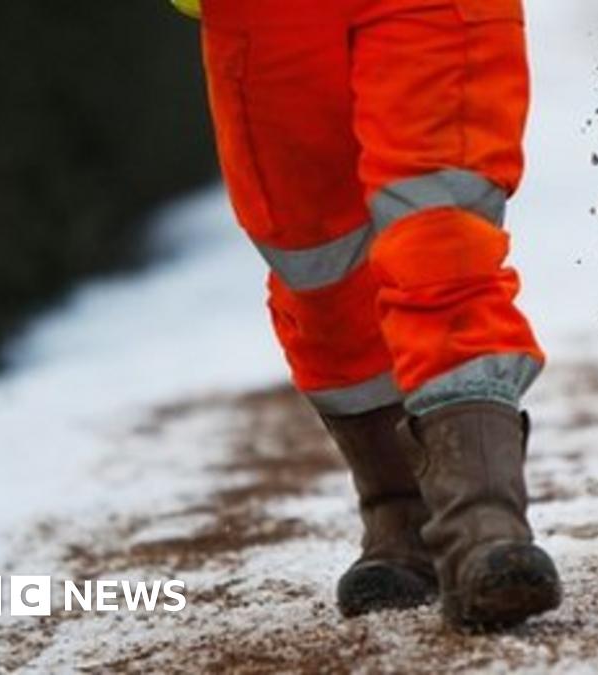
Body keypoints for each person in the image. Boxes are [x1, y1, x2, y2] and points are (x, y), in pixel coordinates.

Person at [172, 0, 561, 630]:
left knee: (443, 241)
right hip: (262, 18)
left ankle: (484, 525)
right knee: (318, 269)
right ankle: (401, 513)